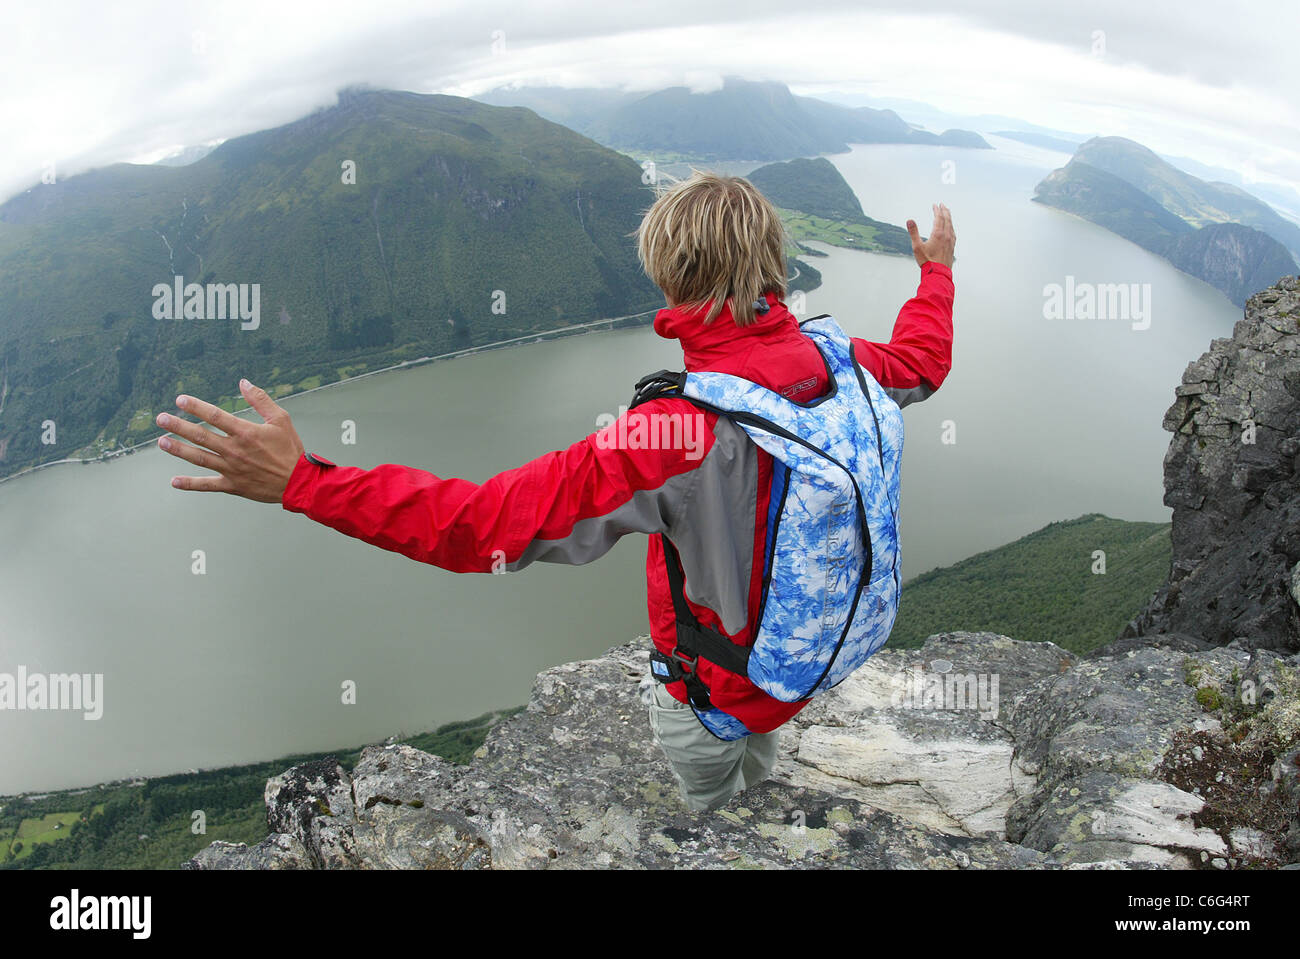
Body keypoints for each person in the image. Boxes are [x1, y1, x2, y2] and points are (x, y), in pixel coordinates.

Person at [155, 172, 955, 813]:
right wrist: (937, 275)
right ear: (772, 265)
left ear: (670, 278)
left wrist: (305, 482)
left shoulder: (676, 432)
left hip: (710, 697)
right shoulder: (846, 364)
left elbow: (482, 527)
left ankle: (725, 826)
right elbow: (922, 360)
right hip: (798, 672)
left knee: (711, 806)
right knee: (762, 764)